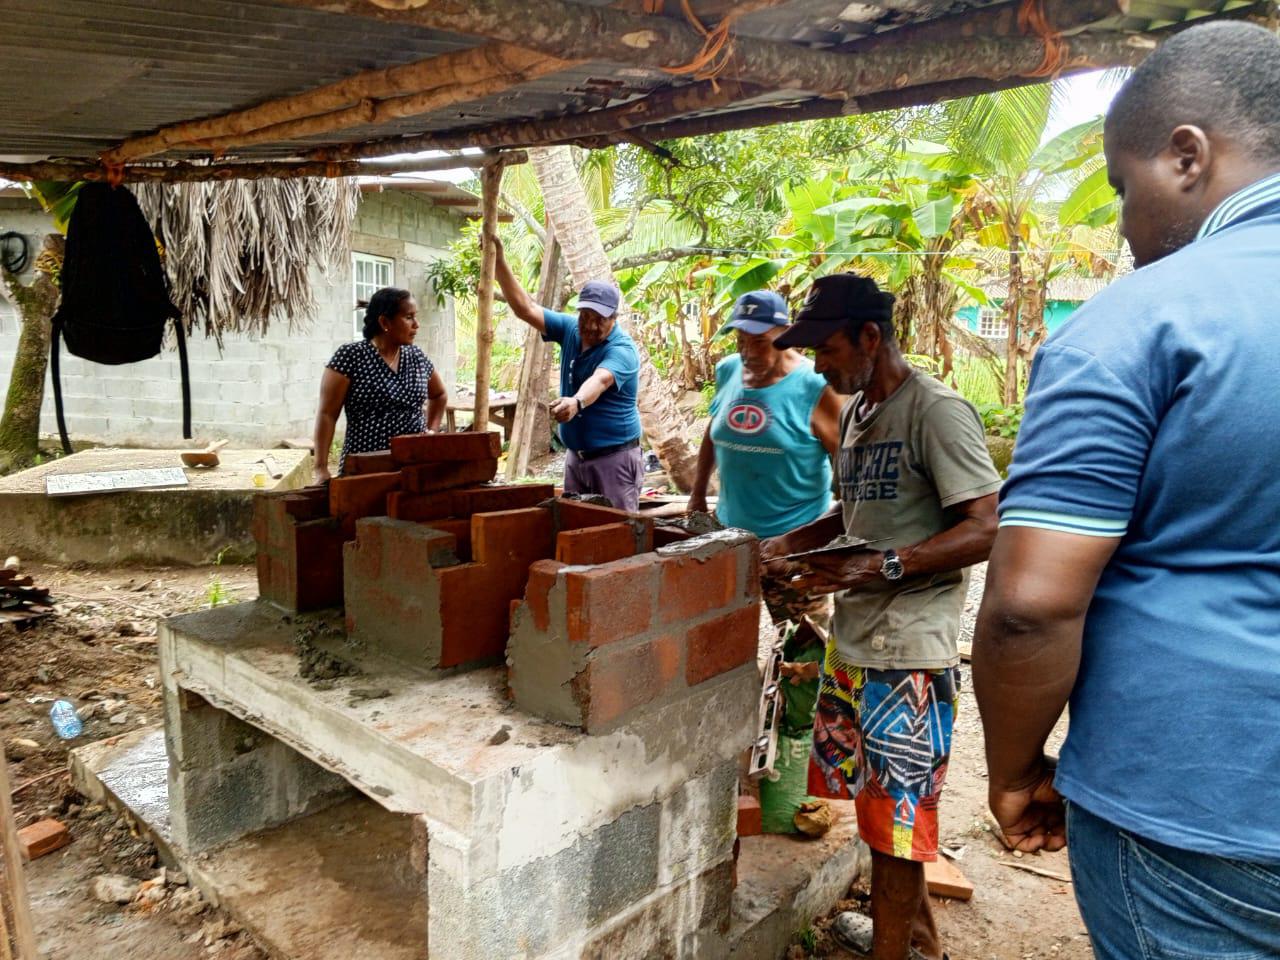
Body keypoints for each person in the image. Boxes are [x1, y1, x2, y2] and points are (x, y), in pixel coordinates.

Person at [972, 22, 1280, 960]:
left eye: (1120, 184)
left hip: (1200, 812)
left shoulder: (1139, 323)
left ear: (1187, 155)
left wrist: (1017, 769)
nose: (1121, 222)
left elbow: (1030, 603)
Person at [761, 273, 1000, 960]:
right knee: (883, 814)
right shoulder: (861, 411)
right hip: (859, 640)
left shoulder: (936, 411)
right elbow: (854, 515)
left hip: (910, 653)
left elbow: (986, 526)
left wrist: (884, 566)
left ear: (871, 336)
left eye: (827, 348)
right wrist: (790, 544)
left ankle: (894, 949)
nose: (818, 366)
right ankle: (917, 937)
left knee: (897, 825)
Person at [688, 289, 843, 624]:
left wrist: (832, 538)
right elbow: (714, 432)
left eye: (759, 342)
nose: (746, 351)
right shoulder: (728, 371)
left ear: (786, 337)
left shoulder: (816, 385)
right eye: (740, 340)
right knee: (727, 635)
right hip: (731, 536)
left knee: (803, 647)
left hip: (794, 545)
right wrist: (698, 493)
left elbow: (846, 468)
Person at [493, 239, 644, 511]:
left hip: (615, 460)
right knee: (576, 529)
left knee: (617, 533)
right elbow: (524, 308)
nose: (592, 326)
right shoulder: (569, 329)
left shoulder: (622, 350)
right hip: (577, 459)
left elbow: (600, 380)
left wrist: (576, 402)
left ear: (614, 318)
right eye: (586, 316)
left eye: (601, 319)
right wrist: (498, 262)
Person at [313, 287, 448, 482]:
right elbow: (327, 414)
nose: (416, 325)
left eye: (415, 317)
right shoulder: (350, 357)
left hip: (413, 468)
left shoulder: (416, 357)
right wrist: (321, 468)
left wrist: (432, 431)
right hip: (364, 470)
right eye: (409, 317)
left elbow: (439, 395)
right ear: (385, 322)